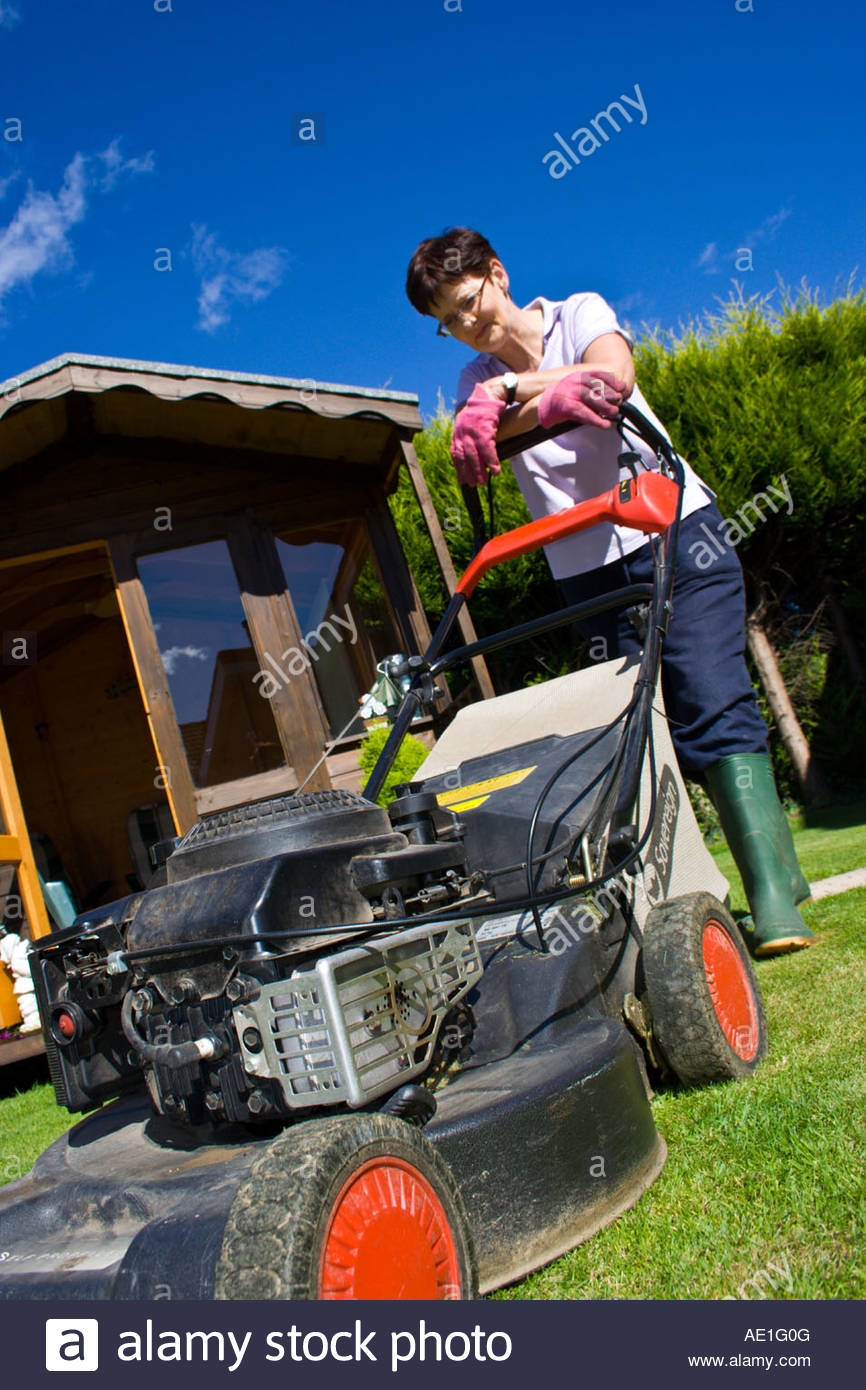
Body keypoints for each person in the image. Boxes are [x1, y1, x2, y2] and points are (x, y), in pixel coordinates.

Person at [405, 226, 813, 958]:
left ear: (497, 274)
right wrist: (542, 394)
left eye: (467, 303)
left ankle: (775, 895)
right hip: (583, 568)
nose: (467, 327)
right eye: (448, 322)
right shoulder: (469, 382)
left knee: (711, 695)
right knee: (636, 731)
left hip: (677, 530)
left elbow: (610, 378)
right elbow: (500, 436)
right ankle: (690, 895)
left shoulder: (578, 312)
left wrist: (512, 394)